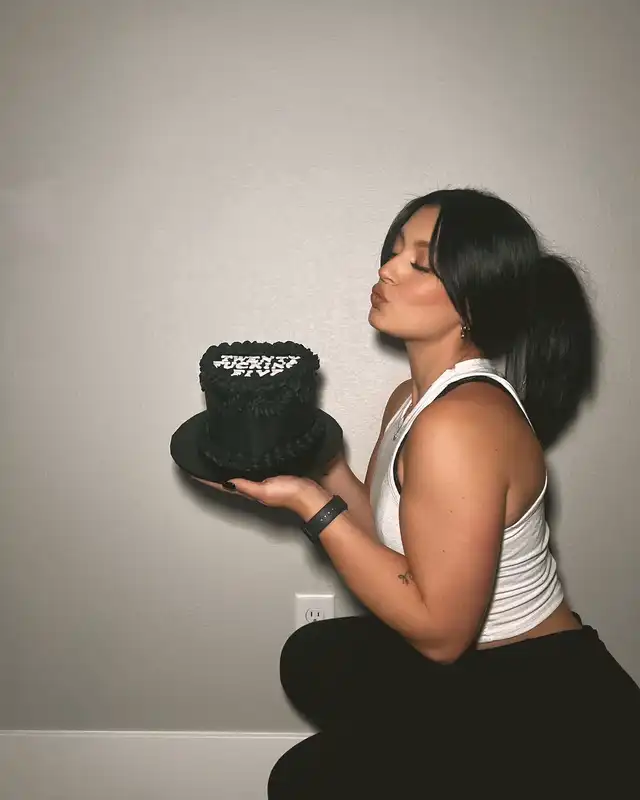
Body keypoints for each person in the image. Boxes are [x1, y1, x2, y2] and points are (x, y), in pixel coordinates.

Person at [199, 188, 640, 795]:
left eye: (420, 263)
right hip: (473, 659)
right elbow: (389, 535)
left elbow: (440, 634)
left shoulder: (460, 424)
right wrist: (321, 470)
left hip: (542, 693)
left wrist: (308, 503)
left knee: (301, 783)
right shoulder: (411, 400)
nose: (387, 269)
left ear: (472, 303)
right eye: (394, 250)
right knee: (312, 657)